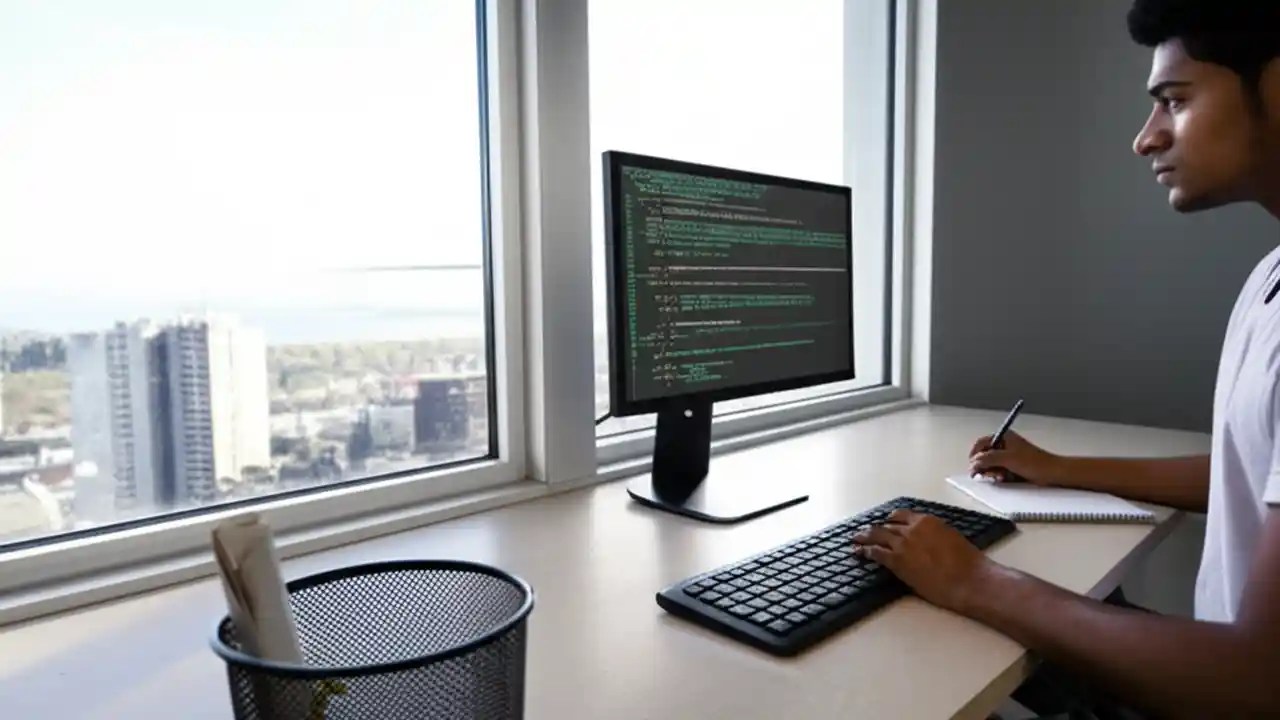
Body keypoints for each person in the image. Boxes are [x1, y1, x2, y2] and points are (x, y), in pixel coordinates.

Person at [852, 1, 1280, 718]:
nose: (1146, 139)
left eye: (1175, 101)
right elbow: (1254, 469)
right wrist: (1062, 471)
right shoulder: (1269, 275)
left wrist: (977, 583)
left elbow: (1258, 683)